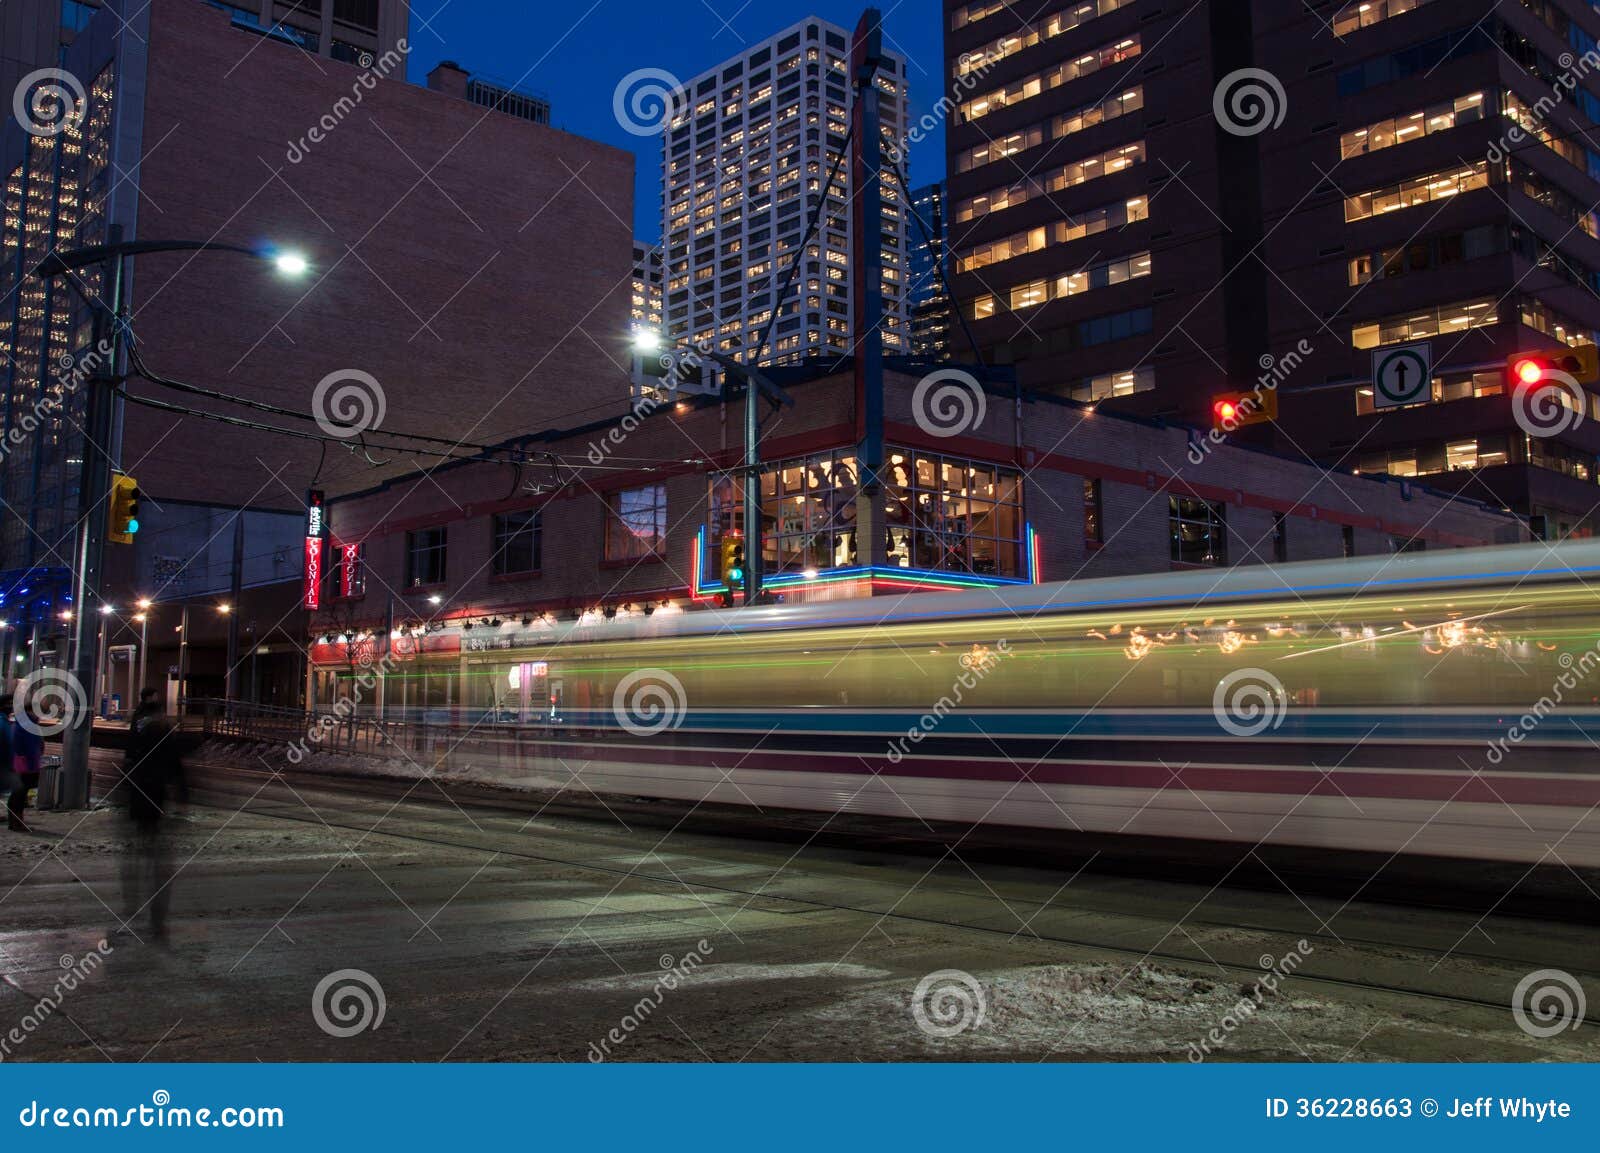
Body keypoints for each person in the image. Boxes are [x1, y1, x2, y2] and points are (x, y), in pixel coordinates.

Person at [121, 687, 187, 938]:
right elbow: (175, 764)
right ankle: (156, 916)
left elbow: (129, 758)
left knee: (142, 835)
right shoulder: (162, 732)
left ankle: (133, 900)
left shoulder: (137, 728)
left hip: (139, 792)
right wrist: (181, 792)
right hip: (155, 791)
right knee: (154, 850)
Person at [8, 699, 45, 832]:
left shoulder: (23, 724)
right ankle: (16, 822)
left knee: (19, 794)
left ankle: (16, 822)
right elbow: (26, 746)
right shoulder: (26, 726)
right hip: (25, 765)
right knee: (19, 794)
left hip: (25, 763)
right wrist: (30, 760)